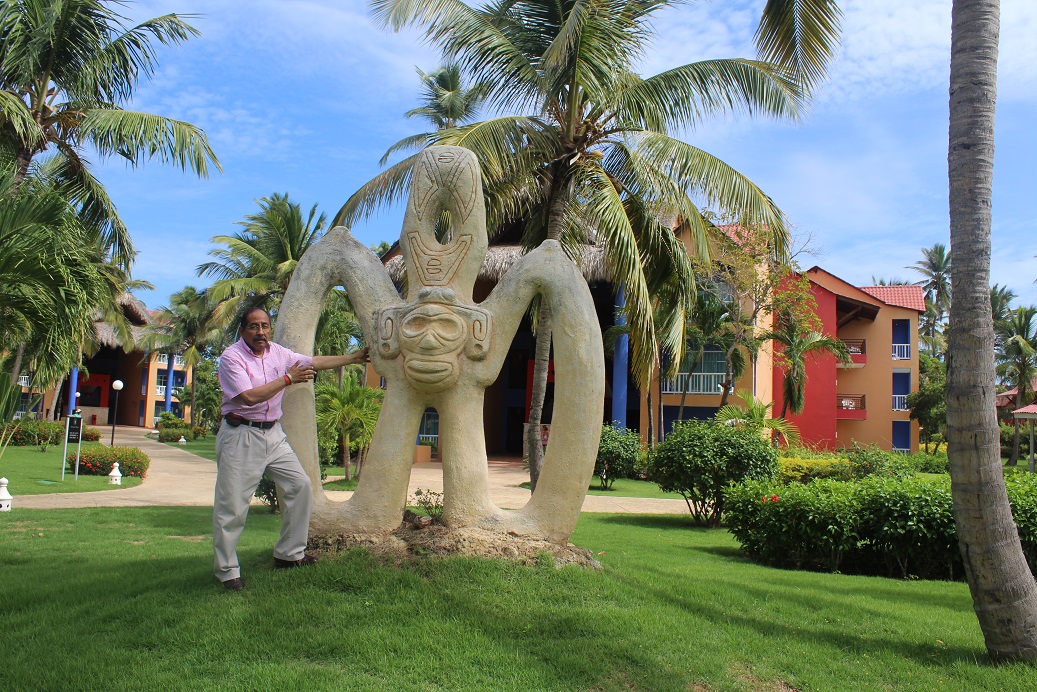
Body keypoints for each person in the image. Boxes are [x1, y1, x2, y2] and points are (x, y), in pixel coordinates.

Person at [213, 306, 369, 591]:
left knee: (300, 486)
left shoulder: (278, 353)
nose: (260, 332)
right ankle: (227, 571)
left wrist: (354, 357)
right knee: (232, 507)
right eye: (253, 327)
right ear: (242, 330)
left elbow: (313, 361)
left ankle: (289, 554)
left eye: (264, 326)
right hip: (241, 436)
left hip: (273, 433)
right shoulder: (231, 358)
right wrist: (287, 379)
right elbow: (248, 397)